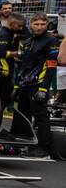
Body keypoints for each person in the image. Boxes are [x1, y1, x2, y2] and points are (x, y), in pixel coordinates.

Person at [12, 14, 60, 156]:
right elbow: (22, 65)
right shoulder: (27, 41)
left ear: (46, 25)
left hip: (39, 84)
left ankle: (43, 148)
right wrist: (16, 86)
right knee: (23, 114)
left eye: (42, 24)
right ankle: (23, 143)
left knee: (40, 115)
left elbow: (52, 66)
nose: (39, 27)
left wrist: (44, 88)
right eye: (36, 24)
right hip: (25, 84)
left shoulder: (51, 40)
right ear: (31, 25)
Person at [0, 11, 25, 113]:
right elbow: (1, 53)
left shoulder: (11, 34)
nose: (21, 28)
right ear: (12, 23)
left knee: (5, 99)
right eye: (19, 26)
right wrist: (18, 53)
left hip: (5, 72)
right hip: (0, 71)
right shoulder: (4, 34)